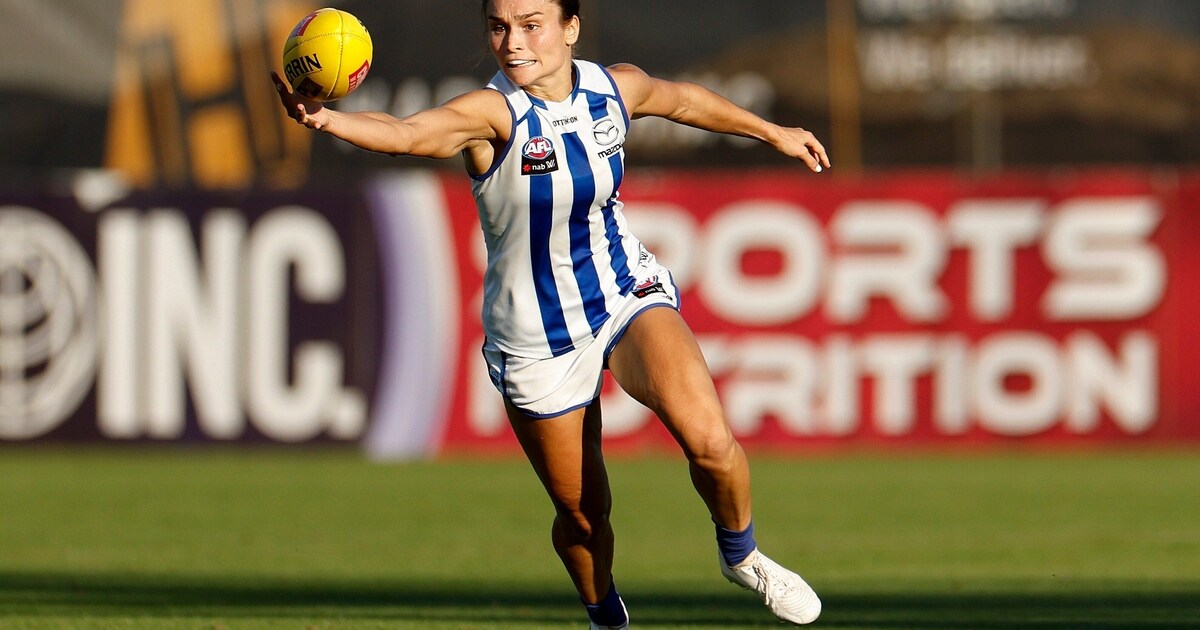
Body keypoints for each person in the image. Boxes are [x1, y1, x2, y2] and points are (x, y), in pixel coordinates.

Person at [271, 0, 830, 626]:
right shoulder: (493, 113)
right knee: (585, 515)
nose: (513, 43)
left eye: (531, 24)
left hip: (623, 292)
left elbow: (683, 102)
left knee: (709, 439)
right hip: (536, 335)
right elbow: (410, 135)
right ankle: (605, 616)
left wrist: (772, 132)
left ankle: (742, 556)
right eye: (500, 27)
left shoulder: (611, 89)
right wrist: (328, 121)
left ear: (571, 28)